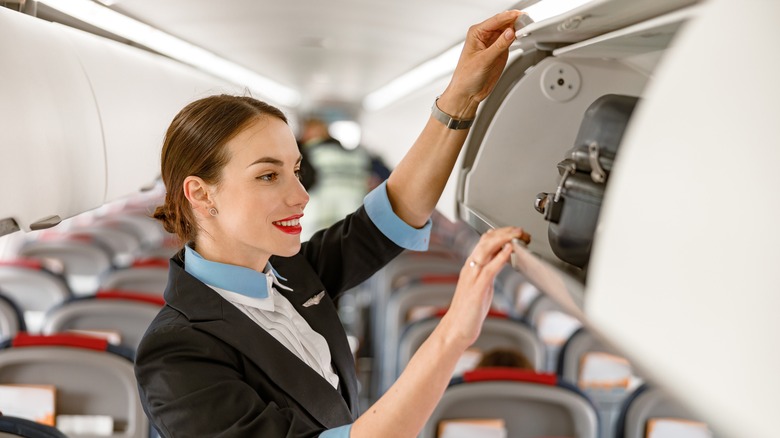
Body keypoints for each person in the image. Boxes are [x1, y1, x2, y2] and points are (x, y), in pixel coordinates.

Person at [134, 9, 529, 438]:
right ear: (201, 193)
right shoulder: (176, 351)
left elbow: (393, 213)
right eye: (268, 175)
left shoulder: (288, 272)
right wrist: (452, 334)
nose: (301, 196)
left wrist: (461, 97)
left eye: (297, 171)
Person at [297, 117, 372, 240]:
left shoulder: (309, 152)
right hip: (351, 210)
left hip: (319, 213)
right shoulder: (355, 154)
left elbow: (307, 180)